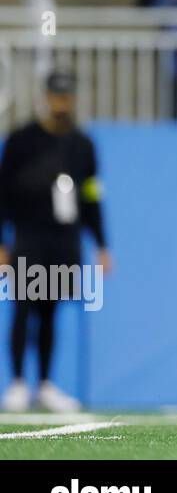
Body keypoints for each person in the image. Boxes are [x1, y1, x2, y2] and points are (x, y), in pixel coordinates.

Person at [0, 71, 111, 413]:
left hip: (64, 241)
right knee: (23, 307)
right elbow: (2, 194)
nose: (62, 103)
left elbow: (92, 196)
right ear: (46, 97)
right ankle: (18, 383)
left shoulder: (83, 145)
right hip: (29, 237)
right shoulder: (21, 141)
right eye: (56, 96)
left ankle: (45, 384)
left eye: (67, 96)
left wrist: (103, 245)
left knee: (50, 310)